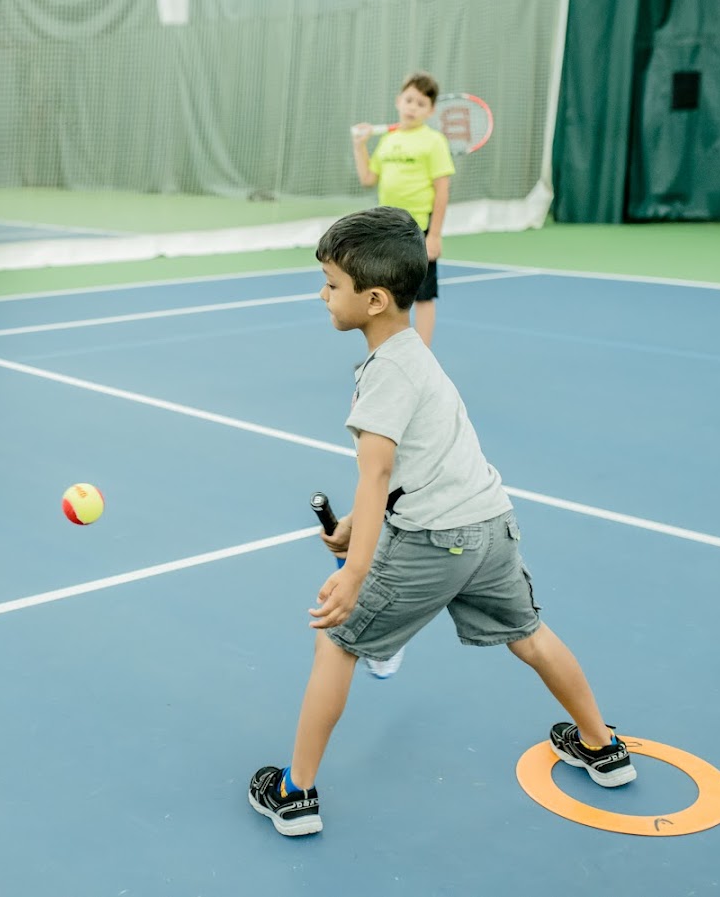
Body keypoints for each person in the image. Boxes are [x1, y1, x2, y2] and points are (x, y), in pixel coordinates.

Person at [247, 207, 635, 837]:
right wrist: (353, 525)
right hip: (490, 525)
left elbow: (375, 475)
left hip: (434, 544)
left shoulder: (383, 379)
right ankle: (602, 746)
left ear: (373, 299)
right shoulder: (416, 357)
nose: (322, 295)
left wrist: (356, 572)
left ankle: (294, 795)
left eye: (331, 284)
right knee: (530, 634)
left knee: (336, 642)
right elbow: (421, 465)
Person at [351, 72, 454, 348]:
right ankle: (388, 355)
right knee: (384, 296)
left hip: (418, 230)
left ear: (430, 111)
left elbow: (442, 191)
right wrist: (359, 145)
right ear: (399, 101)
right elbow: (368, 179)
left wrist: (434, 235)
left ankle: (421, 359)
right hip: (386, 230)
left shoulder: (434, 142)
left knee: (422, 296)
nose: (412, 107)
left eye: (420, 104)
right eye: (409, 100)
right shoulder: (388, 140)